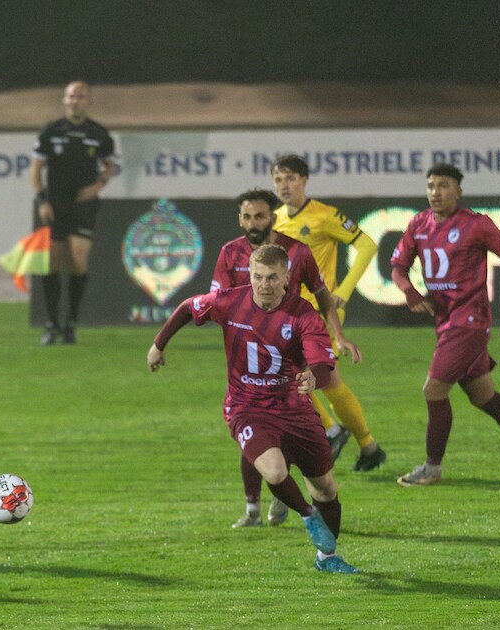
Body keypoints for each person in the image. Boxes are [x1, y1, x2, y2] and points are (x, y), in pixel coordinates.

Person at [148, 244, 359, 574]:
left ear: (287, 278)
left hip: (294, 409)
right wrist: (158, 344)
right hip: (246, 407)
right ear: (251, 275)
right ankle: (306, 514)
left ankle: (327, 559)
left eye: (273, 278)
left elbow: (322, 364)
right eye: (258, 277)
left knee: (326, 489)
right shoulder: (230, 300)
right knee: (274, 471)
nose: (265, 285)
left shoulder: (303, 314)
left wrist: (312, 378)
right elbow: (189, 308)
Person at [391, 163, 500, 486]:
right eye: (431, 186)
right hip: (445, 321)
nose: (435, 192)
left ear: (458, 191)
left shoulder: (476, 224)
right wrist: (410, 292)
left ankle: (432, 468)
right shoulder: (418, 224)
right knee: (483, 396)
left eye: (443, 186)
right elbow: (398, 266)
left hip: (469, 322)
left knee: (433, 390)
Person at [211, 189, 362, 529]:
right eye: (247, 217)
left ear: (273, 217)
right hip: (248, 353)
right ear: (240, 219)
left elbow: (323, 296)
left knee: (282, 422)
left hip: (290, 346)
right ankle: (253, 508)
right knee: (252, 426)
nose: (254, 223)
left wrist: (338, 335)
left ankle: (287, 492)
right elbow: (217, 300)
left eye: (260, 216)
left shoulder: (298, 252)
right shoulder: (229, 253)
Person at [271, 154, 385, 474]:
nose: (285, 185)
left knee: (293, 377)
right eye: (279, 179)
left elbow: (368, 246)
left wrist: (344, 292)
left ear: (304, 180)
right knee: (325, 382)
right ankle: (367, 445)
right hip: (287, 314)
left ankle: (334, 432)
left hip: (319, 314)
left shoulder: (324, 216)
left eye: (291, 178)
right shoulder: (275, 219)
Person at [30, 80, 116, 345]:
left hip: (82, 206)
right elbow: (36, 170)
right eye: (70, 96)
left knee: (78, 262)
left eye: (80, 96)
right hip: (55, 205)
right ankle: (52, 323)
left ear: (88, 101)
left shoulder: (99, 134)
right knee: (52, 261)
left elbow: (109, 166)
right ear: (64, 100)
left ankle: (71, 324)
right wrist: (42, 200)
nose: (74, 100)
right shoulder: (51, 131)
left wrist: (98, 185)